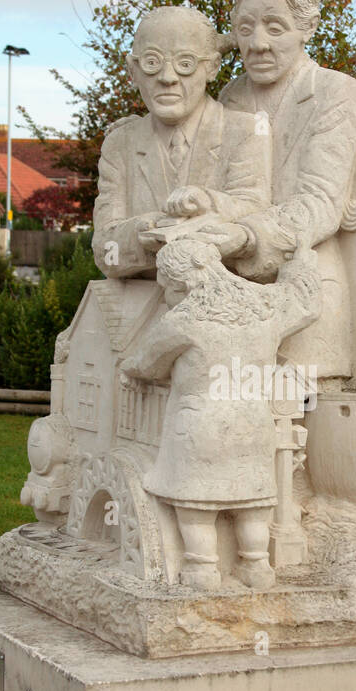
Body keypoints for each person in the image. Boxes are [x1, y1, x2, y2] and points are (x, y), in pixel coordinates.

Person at [119, 235, 321, 591]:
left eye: (165, 288)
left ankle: (201, 568)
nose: (165, 297)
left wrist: (129, 367)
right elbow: (306, 303)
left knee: (197, 500)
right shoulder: (265, 308)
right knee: (252, 498)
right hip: (252, 425)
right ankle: (256, 565)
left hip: (198, 426)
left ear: (181, 284)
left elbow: (146, 364)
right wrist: (300, 260)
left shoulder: (182, 321)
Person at [209, 0, 356, 379]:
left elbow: (321, 203)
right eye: (245, 29)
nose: (257, 43)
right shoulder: (230, 97)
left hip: (304, 279)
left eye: (274, 27)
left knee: (287, 422)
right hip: (229, 282)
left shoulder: (334, 91)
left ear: (306, 28)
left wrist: (248, 236)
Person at [93, 6, 271, 279]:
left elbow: (256, 214)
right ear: (133, 70)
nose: (168, 77)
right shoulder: (120, 144)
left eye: (185, 64)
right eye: (152, 62)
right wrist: (146, 231)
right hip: (133, 307)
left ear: (211, 68)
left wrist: (206, 201)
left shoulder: (246, 131)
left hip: (221, 305)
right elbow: (105, 251)